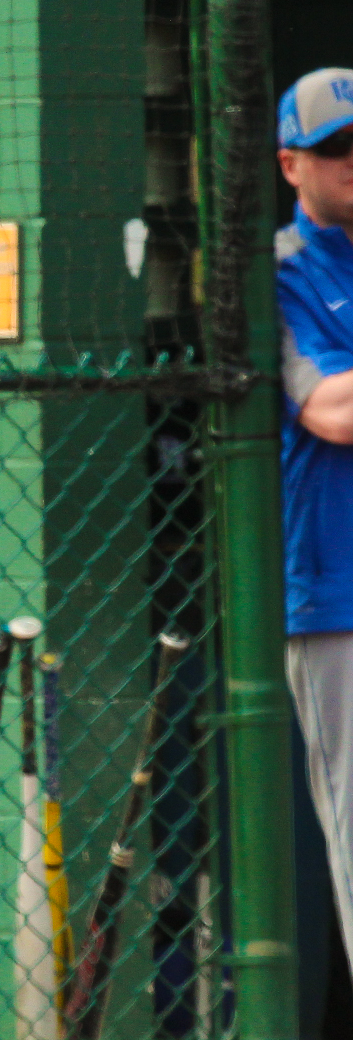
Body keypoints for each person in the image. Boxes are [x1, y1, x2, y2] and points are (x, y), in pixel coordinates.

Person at [278, 67, 353, 969]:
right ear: (293, 164)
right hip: (335, 595)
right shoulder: (280, 271)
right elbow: (332, 409)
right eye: (337, 151)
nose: (352, 164)